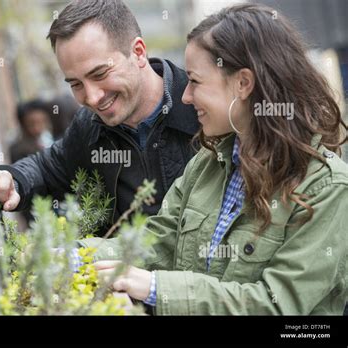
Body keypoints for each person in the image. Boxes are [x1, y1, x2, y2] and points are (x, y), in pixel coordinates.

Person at [79, 4, 348, 315]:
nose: (186, 96)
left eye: (195, 81)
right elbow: (158, 242)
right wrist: (72, 257)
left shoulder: (328, 190)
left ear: (243, 83)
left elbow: (274, 305)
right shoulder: (207, 164)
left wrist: (154, 287)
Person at [0, 0, 199, 235]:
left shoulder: (202, 109)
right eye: (76, 84)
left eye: (100, 73)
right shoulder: (88, 126)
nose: (92, 98)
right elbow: (46, 169)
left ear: (138, 52)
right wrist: (10, 179)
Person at [9, 99, 54, 164]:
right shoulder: (19, 151)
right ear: (23, 125)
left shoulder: (49, 139)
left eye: (41, 122)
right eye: (31, 124)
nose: (37, 128)